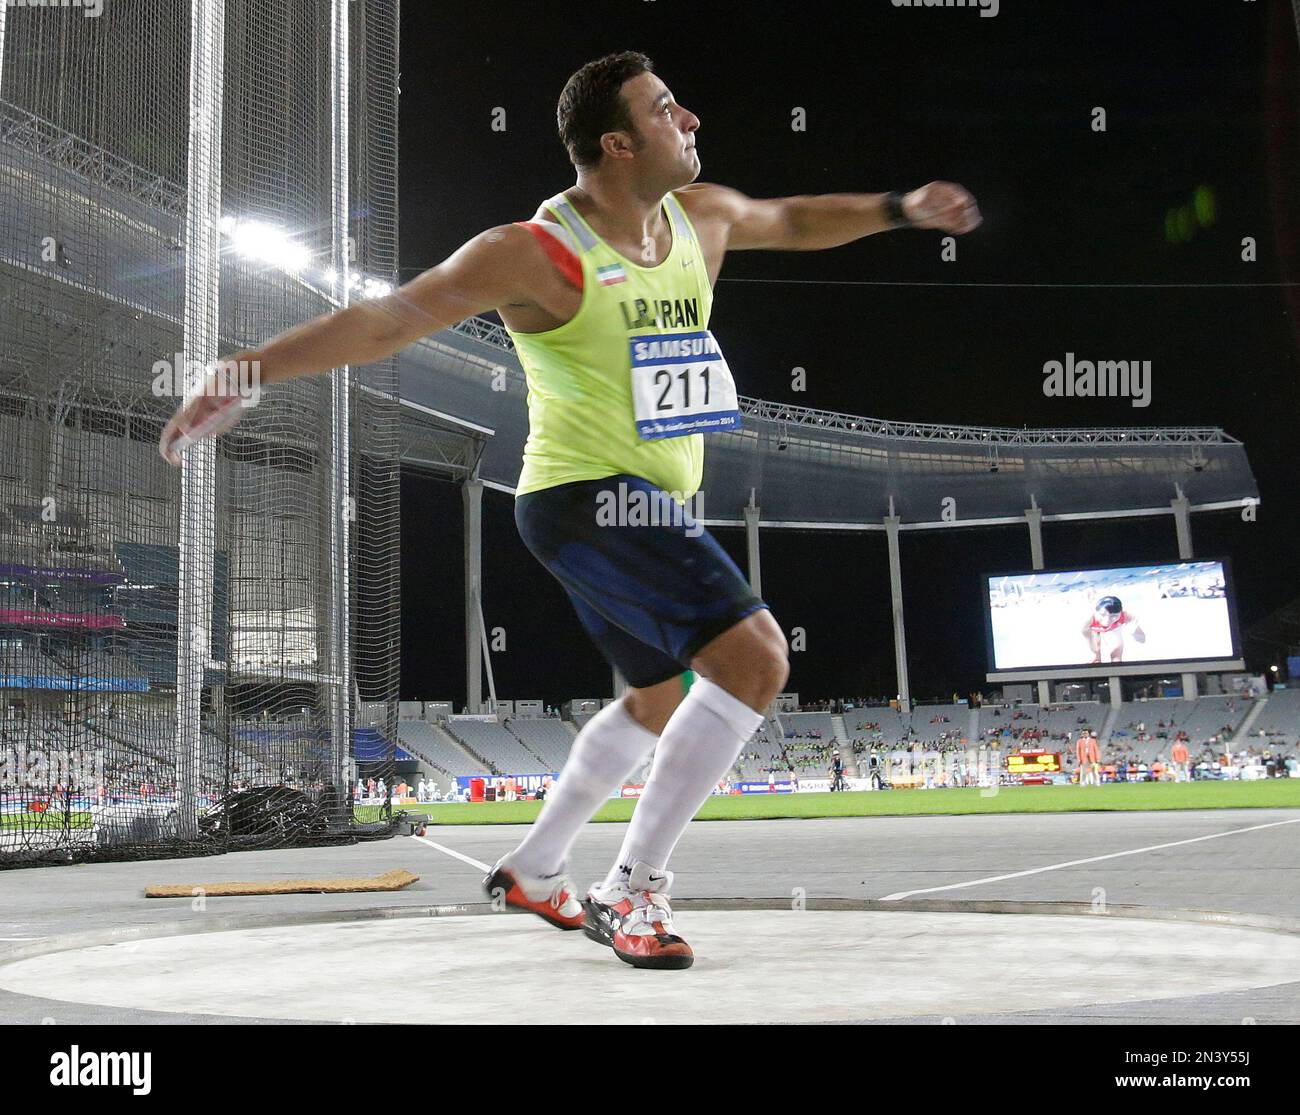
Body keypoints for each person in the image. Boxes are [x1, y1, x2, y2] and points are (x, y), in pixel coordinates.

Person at [157, 51, 978, 970]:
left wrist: (903, 208)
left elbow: (788, 219)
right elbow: (391, 318)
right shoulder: (535, 253)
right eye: (669, 110)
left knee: (658, 697)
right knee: (755, 657)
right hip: (584, 496)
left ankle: (538, 866)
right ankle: (631, 891)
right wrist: (248, 369)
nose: (693, 119)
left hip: (646, 499)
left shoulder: (697, 220)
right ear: (618, 144)